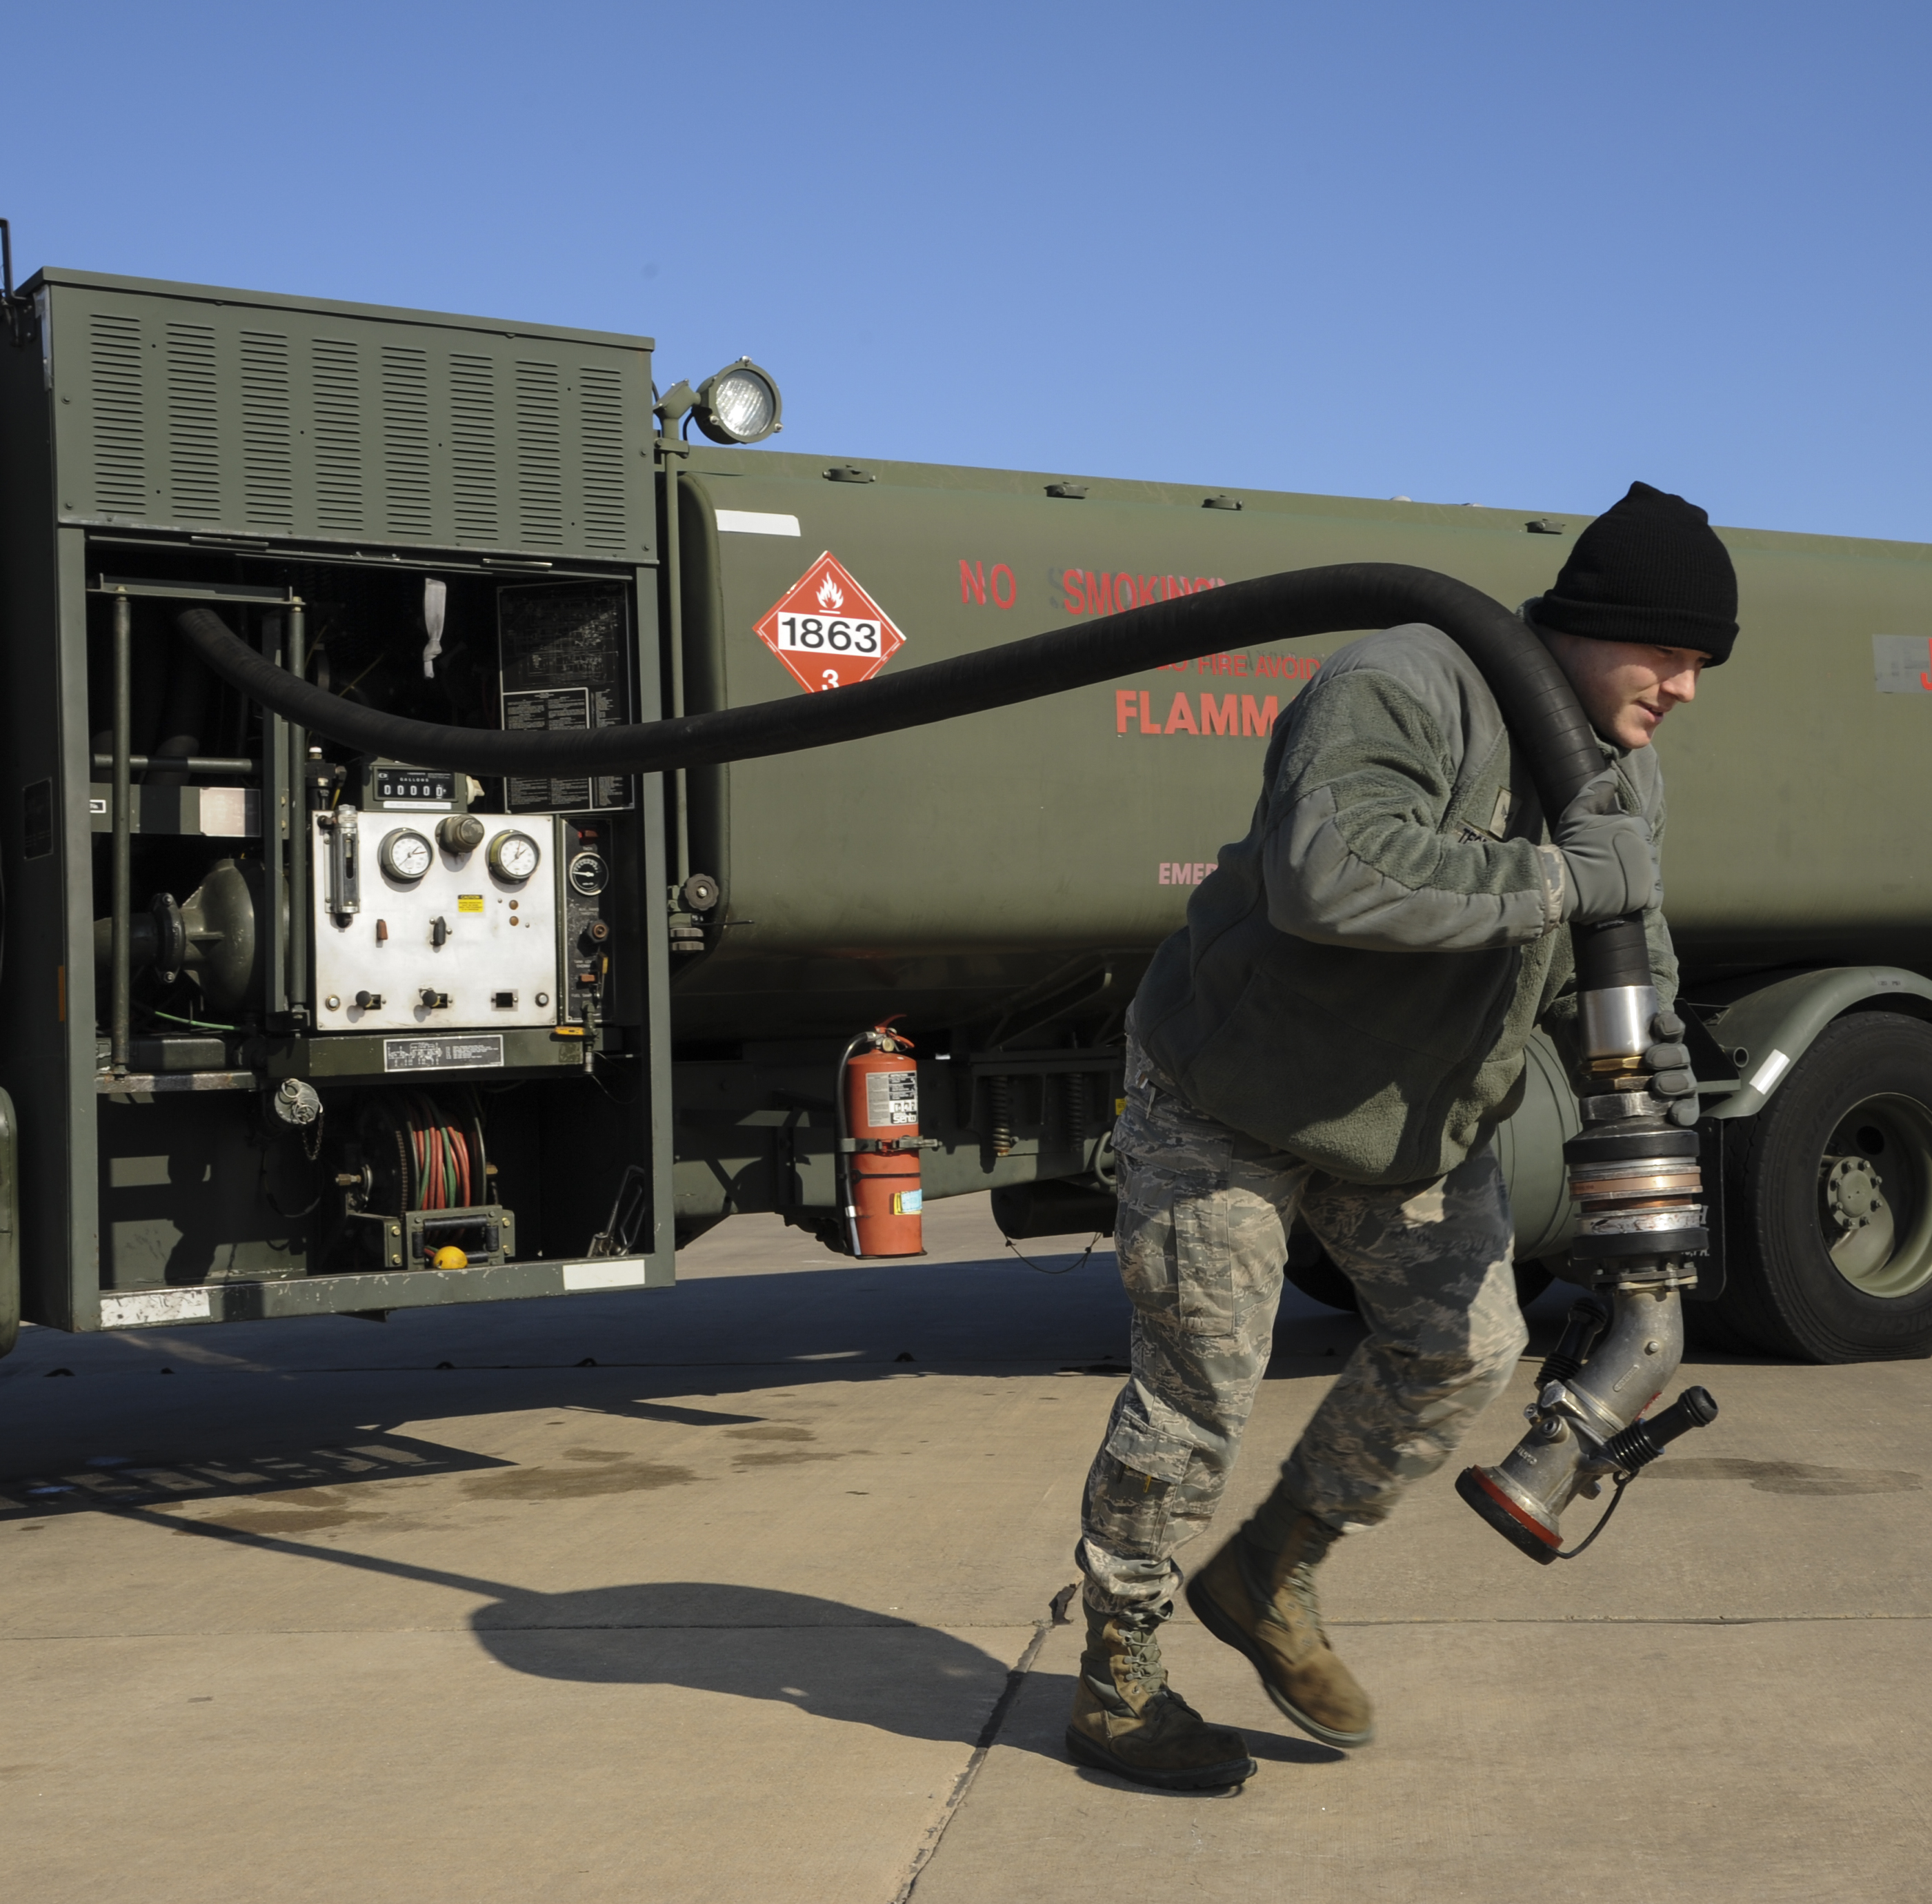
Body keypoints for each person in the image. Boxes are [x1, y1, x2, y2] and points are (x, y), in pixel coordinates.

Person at [1064, 482, 1739, 1791]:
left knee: (1466, 1346)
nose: (1685, 689)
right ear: (1597, 625)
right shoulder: (1406, 682)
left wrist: (1650, 1024)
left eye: (1702, 666)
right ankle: (1116, 1678)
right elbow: (1332, 869)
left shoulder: (1624, 772)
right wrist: (1553, 879)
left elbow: (1625, 925)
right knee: (1198, 1392)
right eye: (1670, 653)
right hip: (1234, 1094)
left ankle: (1272, 1571)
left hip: (1411, 1119)